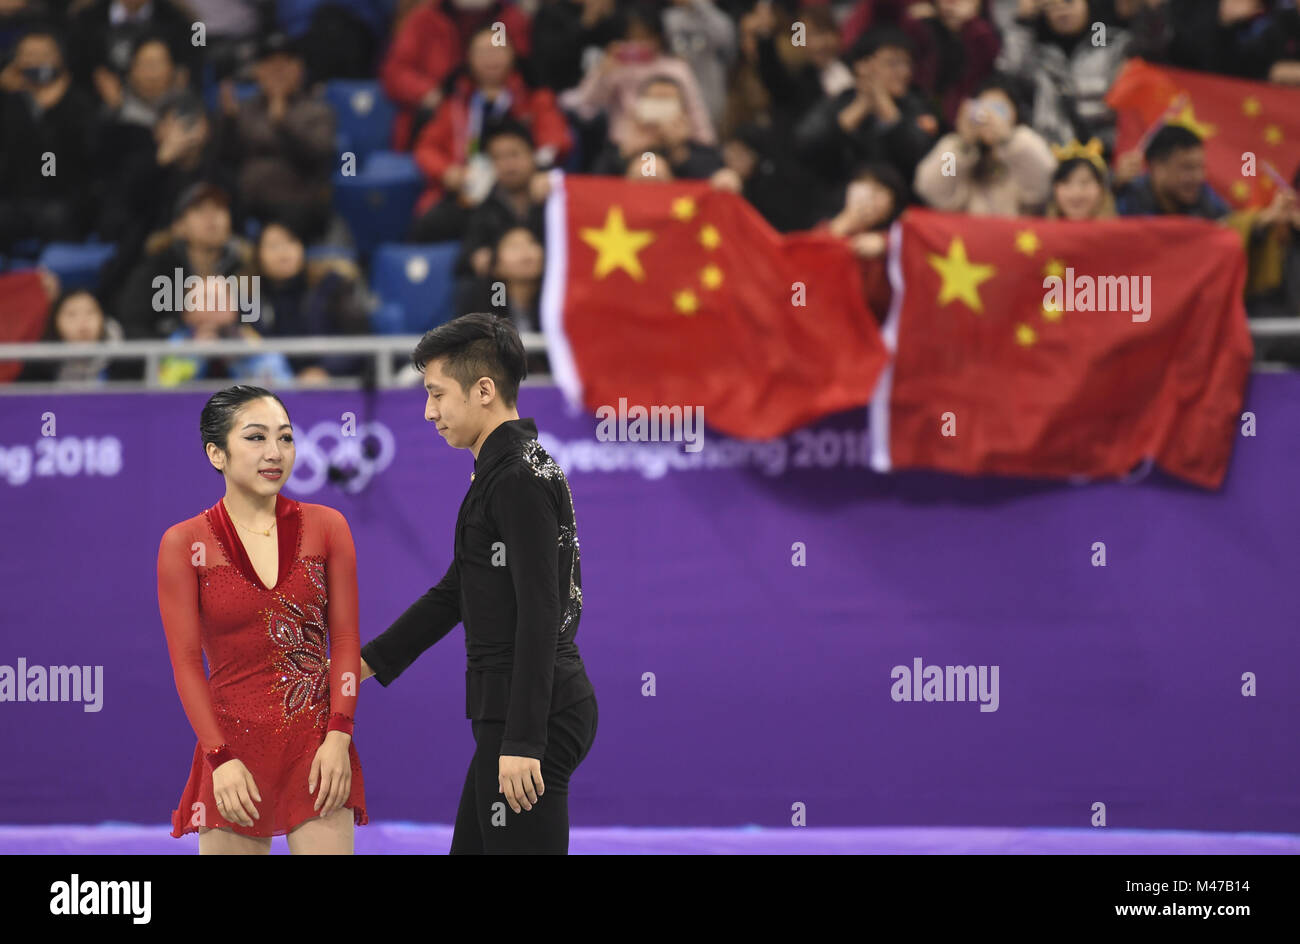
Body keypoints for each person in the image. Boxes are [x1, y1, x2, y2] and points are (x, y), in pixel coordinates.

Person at [358, 313, 598, 855]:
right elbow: (456, 591)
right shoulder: (503, 469)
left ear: (483, 390)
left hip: (530, 715)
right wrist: (360, 667)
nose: (428, 411)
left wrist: (523, 740)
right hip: (515, 712)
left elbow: (542, 611)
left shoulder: (515, 476)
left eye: (436, 393)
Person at [157, 385, 367, 853]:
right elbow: (187, 663)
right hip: (231, 749)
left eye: (286, 438)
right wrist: (219, 757)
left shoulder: (328, 526)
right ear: (217, 453)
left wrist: (339, 735)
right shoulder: (183, 543)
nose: (275, 453)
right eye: (255, 438)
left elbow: (347, 641)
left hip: (316, 747)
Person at [410, 24, 570, 239]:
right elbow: (426, 148)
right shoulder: (456, 103)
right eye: (483, 52)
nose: (490, 58)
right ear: (468, 58)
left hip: (522, 191)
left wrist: (538, 168)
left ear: (512, 54)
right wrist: (447, 172)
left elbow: (556, 140)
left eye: (497, 49)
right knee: (427, 227)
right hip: (470, 191)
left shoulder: (534, 96)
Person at [913, 75, 1056, 215]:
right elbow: (936, 190)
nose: (989, 117)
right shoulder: (954, 150)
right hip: (968, 235)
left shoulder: (1026, 144)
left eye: (999, 110)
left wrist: (1008, 140)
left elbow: (1043, 184)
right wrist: (962, 145)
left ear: (1015, 113)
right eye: (983, 109)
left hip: (1018, 235)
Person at [1115, 124, 1229, 219]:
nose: (1199, 177)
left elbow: (1229, 223)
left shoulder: (1205, 198)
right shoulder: (1126, 203)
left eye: (1201, 167)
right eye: (1188, 167)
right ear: (1157, 168)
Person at [1045, 137, 1117, 219]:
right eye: (1066, 183)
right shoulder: (1038, 230)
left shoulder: (1121, 230)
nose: (1076, 192)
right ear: (1054, 189)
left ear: (1101, 188)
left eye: (1085, 183)